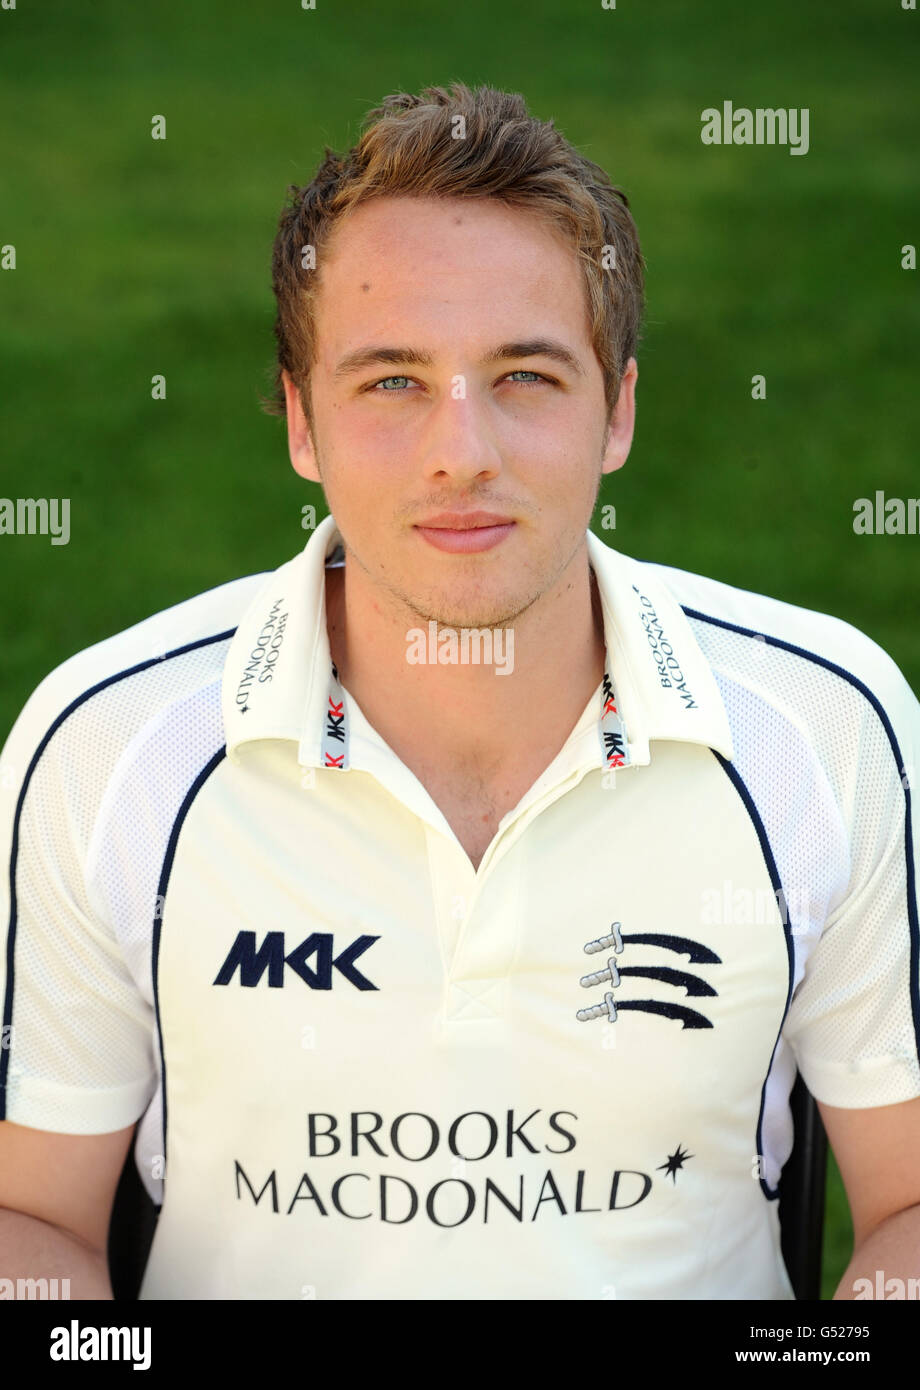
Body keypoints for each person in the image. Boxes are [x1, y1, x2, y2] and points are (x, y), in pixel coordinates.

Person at [1, 82, 918, 1302]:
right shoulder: (106, 744)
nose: (461, 451)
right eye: (390, 382)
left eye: (525, 377)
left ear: (618, 413)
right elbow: (35, 1217)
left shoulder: (827, 727)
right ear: (299, 426)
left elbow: (904, 1203)